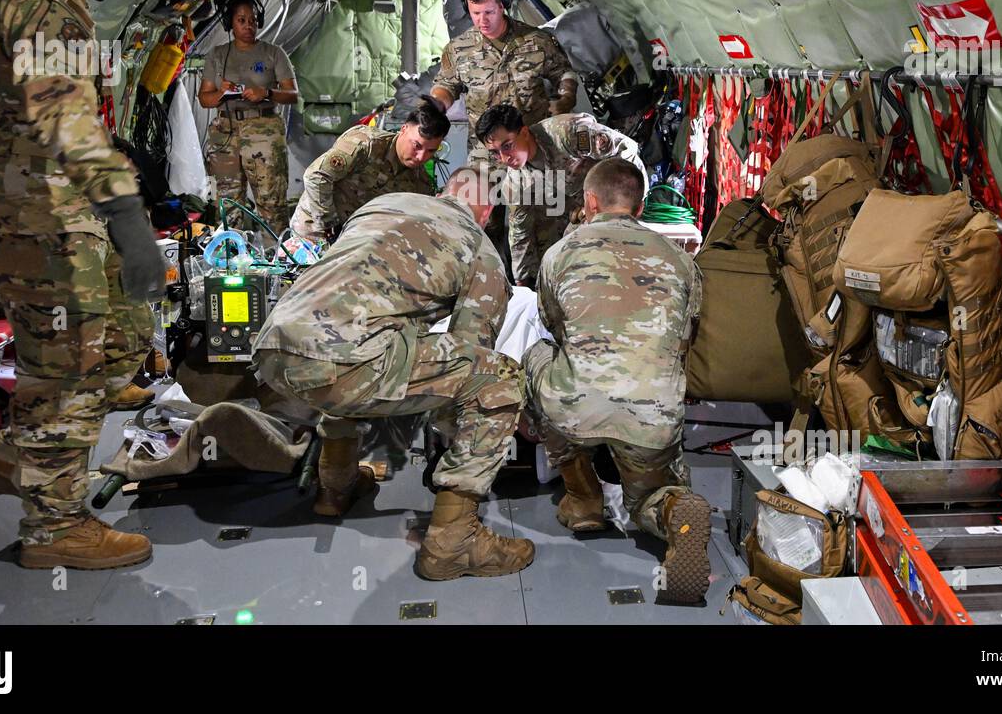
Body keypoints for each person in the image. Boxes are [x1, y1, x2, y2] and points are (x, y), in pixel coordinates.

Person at [0, 0, 166, 569]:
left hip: (26, 212)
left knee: (66, 355)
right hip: (43, 218)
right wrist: (131, 221)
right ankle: (55, 531)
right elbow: (67, 120)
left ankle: (16, 454)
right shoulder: (46, 4)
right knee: (69, 368)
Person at [254, 169, 534, 581]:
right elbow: (472, 355)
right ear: (488, 211)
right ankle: (453, 542)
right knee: (499, 377)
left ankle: (336, 487)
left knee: (375, 350)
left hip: (274, 348)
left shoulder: (383, 204)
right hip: (345, 360)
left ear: (443, 193)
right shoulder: (481, 249)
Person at [523, 158, 710, 604]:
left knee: (537, 356)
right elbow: (687, 338)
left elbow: (555, 326)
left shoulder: (560, 254)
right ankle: (669, 511)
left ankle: (582, 496)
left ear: (589, 201)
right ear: (641, 206)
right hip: (652, 418)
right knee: (645, 497)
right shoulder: (680, 260)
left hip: (575, 410)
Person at [476, 103, 646, 288]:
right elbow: (520, 232)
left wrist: (629, 204)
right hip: (585, 210)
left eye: (507, 146)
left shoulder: (567, 133)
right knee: (561, 255)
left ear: (524, 133)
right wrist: (521, 283)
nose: (503, 158)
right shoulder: (515, 181)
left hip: (619, 203)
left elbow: (627, 151)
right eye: (494, 153)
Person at [428, 0, 577, 164]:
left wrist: (566, 98)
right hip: (488, 151)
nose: (482, 21)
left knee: (541, 192)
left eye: (488, 12)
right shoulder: (458, 49)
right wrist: (437, 104)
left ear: (502, 6)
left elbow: (563, 72)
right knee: (487, 193)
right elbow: (446, 84)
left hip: (533, 142)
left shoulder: (537, 40)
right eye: (475, 13)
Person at [197, 0, 299, 232]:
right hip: (225, 135)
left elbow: (293, 94)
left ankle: (276, 258)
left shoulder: (273, 53)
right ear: (229, 24)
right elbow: (204, 99)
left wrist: (267, 93)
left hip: (264, 134)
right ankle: (230, 258)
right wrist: (222, 93)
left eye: (252, 20)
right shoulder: (217, 55)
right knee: (225, 203)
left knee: (271, 201)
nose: (248, 26)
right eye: (241, 20)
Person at [290, 95, 450, 244]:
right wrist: (330, 224)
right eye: (417, 145)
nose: (421, 157)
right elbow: (316, 176)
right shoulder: (365, 144)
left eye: (431, 151)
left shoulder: (420, 183)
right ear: (403, 129)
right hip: (314, 232)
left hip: (355, 243)